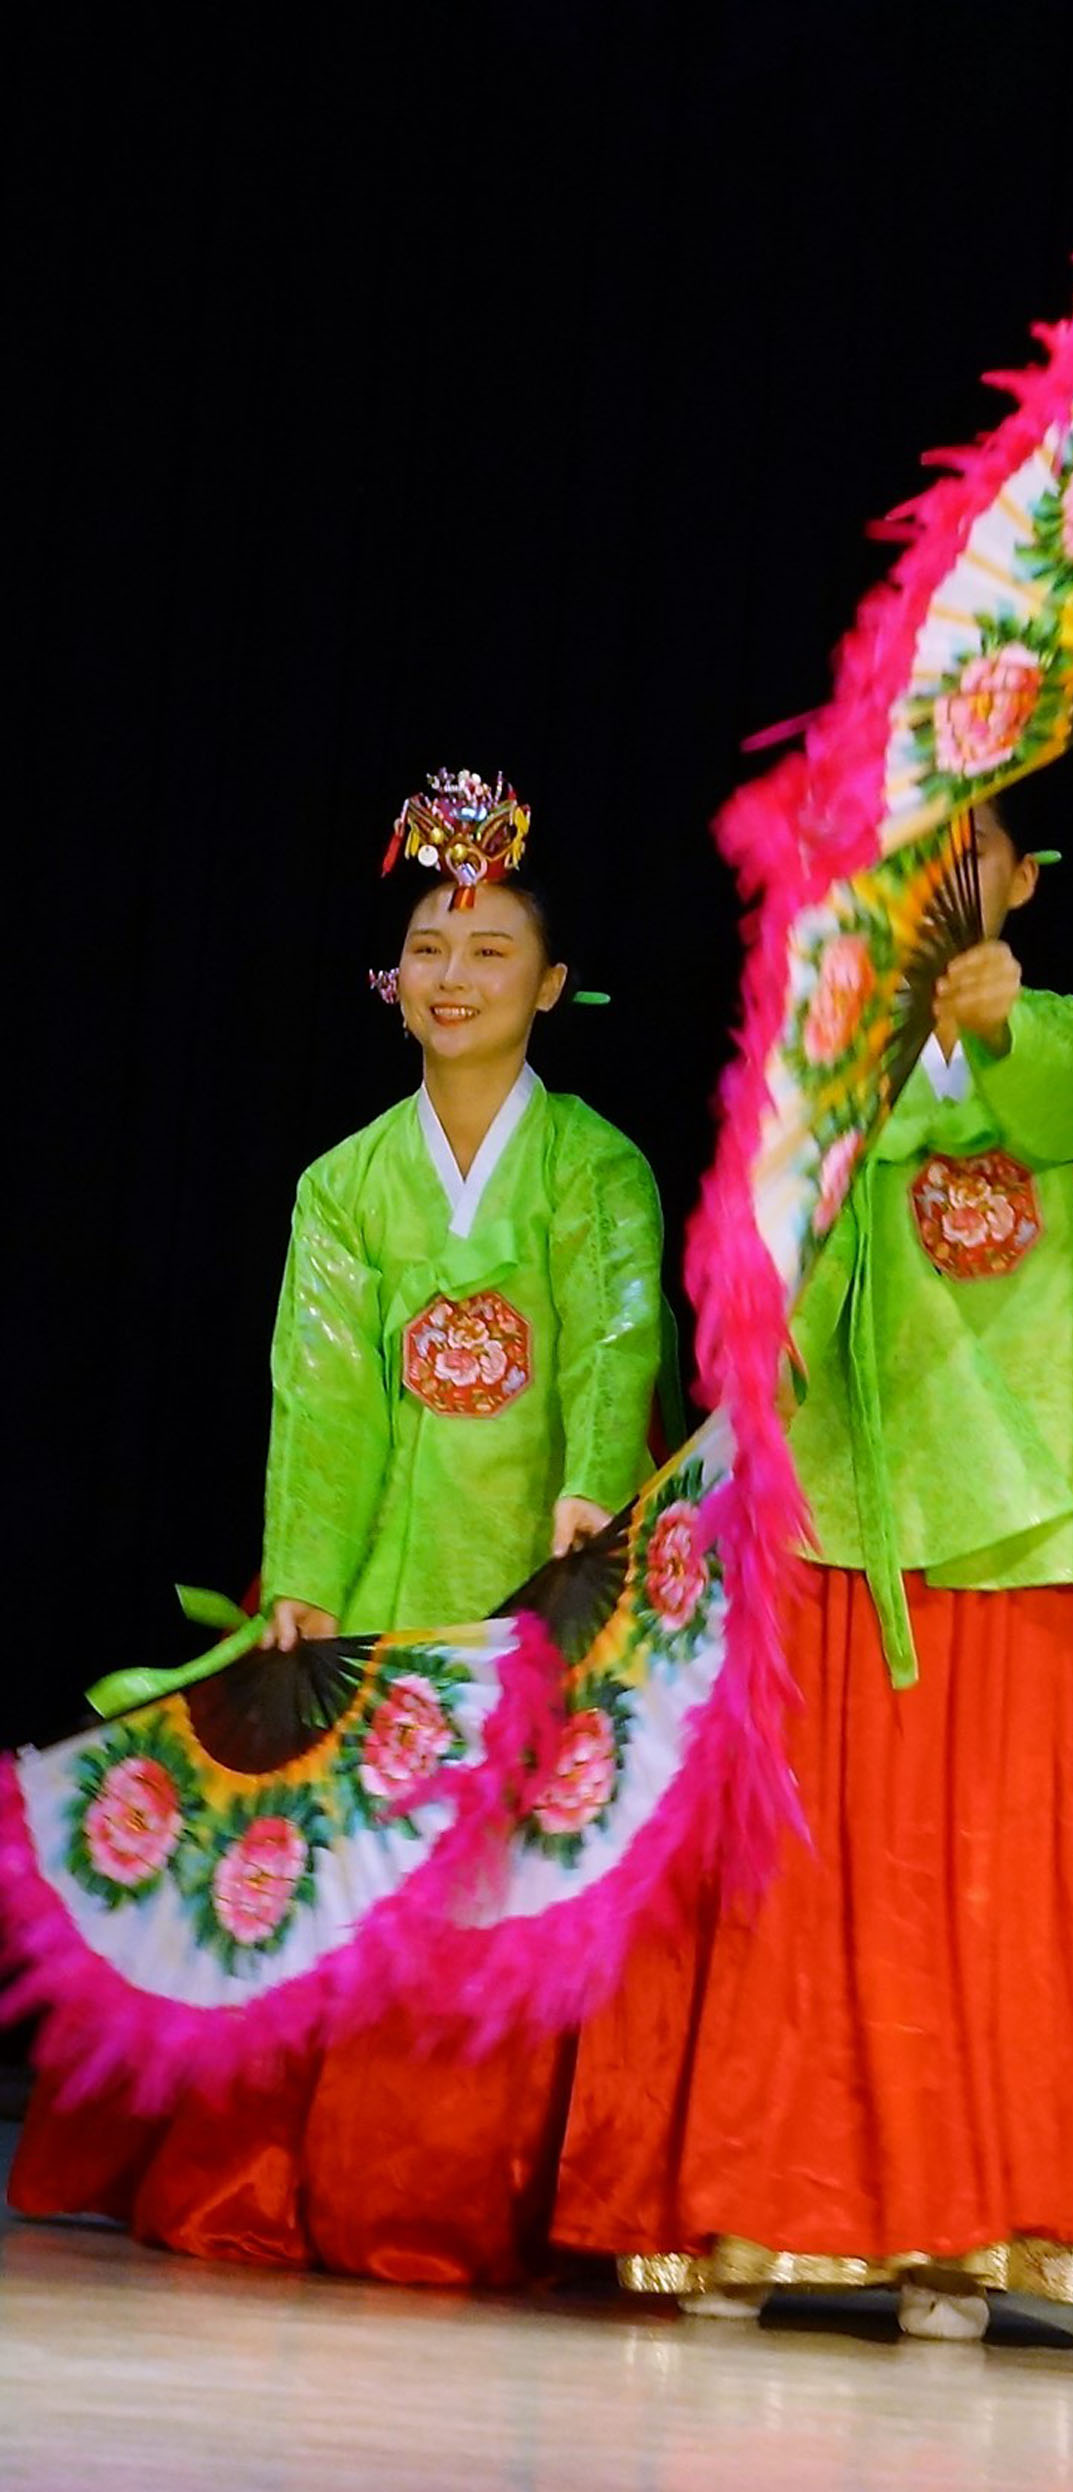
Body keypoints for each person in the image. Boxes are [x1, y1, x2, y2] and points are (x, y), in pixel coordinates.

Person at [9, 773, 665, 2283]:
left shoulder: (596, 1169)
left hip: (535, 1580)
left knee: (493, 1906)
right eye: (432, 949)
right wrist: (302, 1578)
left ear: (552, 986)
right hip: (374, 1574)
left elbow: (615, 1338)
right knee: (345, 1890)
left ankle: (459, 2197)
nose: (456, 978)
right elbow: (319, 1397)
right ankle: (290, 2184)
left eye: (493, 951)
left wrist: (592, 1480)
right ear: (392, 981)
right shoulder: (344, 1187)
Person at [554, 791, 1073, 2341]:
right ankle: (764, 2209)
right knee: (800, 1886)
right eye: (915, 852)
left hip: (1022, 1521)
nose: (950, 878)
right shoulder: (807, 1076)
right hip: (829, 1517)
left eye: (981, 848)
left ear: (1023, 875)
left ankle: (967, 2232)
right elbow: (745, 1301)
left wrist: (996, 1029)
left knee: (989, 1890)